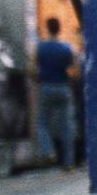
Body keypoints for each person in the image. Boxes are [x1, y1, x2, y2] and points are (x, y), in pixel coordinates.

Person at [36, 17, 78, 170]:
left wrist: (38, 78)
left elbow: (32, 68)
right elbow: (75, 71)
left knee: (42, 123)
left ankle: (49, 151)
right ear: (59, 28)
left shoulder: (40, 47)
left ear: (48, 28)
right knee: (67, 127)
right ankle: (69, 162)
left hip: (46, 87)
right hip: (63, 87)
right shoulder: (67, 47)